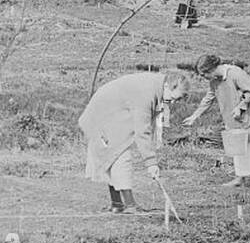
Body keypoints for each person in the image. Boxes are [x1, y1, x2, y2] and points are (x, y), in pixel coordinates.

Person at [78, 70, 190, 213]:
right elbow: (142, 131)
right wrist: (151, 163)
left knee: (115, 156)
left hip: (113, 113)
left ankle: (117, 205)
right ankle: (129, 205)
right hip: (103, 113)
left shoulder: (158, 85)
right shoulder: (146, 93)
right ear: (168, 86)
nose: (173, 102)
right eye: (175, 98)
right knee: (120, 155)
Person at [183, 54, 250, 189]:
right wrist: (194, 116)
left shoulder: (235, 74)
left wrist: (240, 107)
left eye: (204, 74)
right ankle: (240, 177)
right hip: (235, 119)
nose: (203, 78)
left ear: (211, 69)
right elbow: (208, 98)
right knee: (238, 146)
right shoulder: (214, 80)